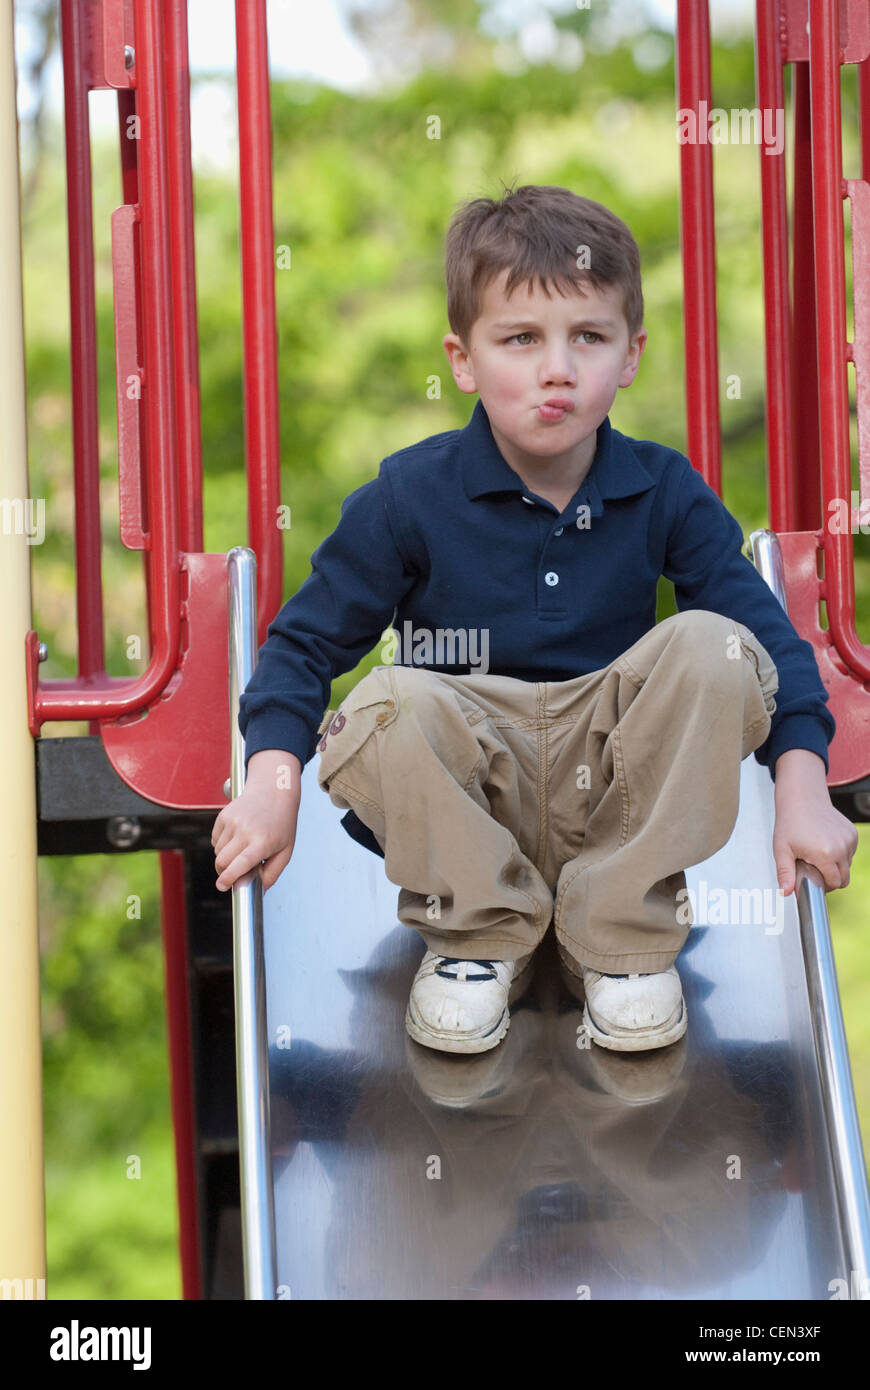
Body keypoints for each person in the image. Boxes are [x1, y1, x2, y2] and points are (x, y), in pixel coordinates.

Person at [211, 184, 857, 1056]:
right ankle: (481, 935)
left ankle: (620, 935)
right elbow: (304, 643)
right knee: (385, 701)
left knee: (716, 645)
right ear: (463, 359)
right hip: (474, 794)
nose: (559, 368)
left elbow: (766, 639)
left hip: (612, 782)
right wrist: (270, 782)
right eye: (521, 339)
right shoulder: (412, 494)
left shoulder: (660, 488)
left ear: (630, 355)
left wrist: (802, 784)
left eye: (588, 337)